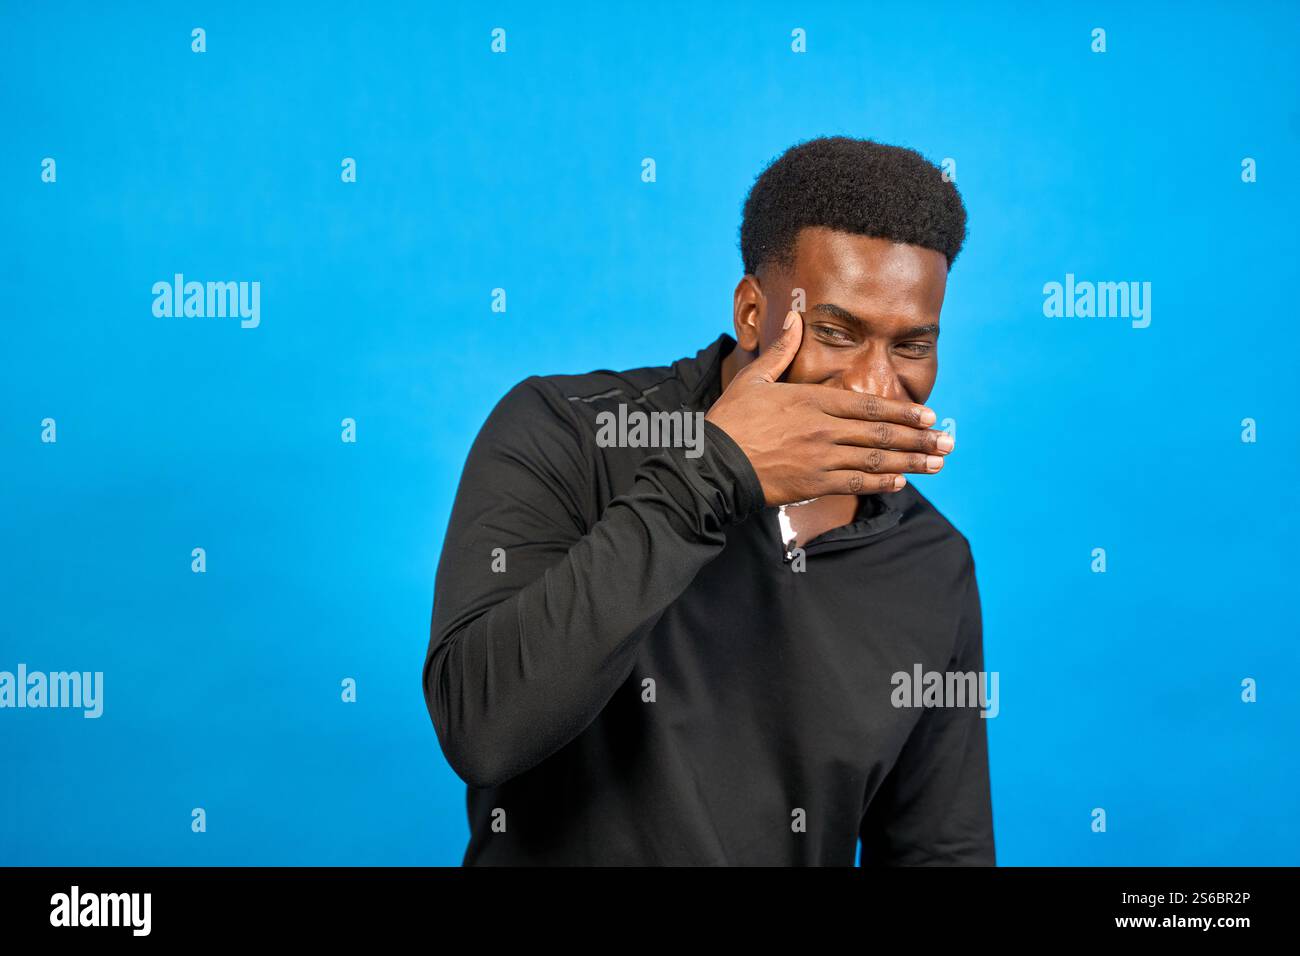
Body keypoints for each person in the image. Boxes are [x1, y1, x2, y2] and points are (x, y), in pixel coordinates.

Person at [422, 135, 995, 865]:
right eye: (836, 333)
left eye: (911, 347)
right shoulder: (565, 433)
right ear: (753, 313)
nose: (875, 388)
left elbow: (940, 852)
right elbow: (483, 727)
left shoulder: (932, 563)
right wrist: (711, 472)